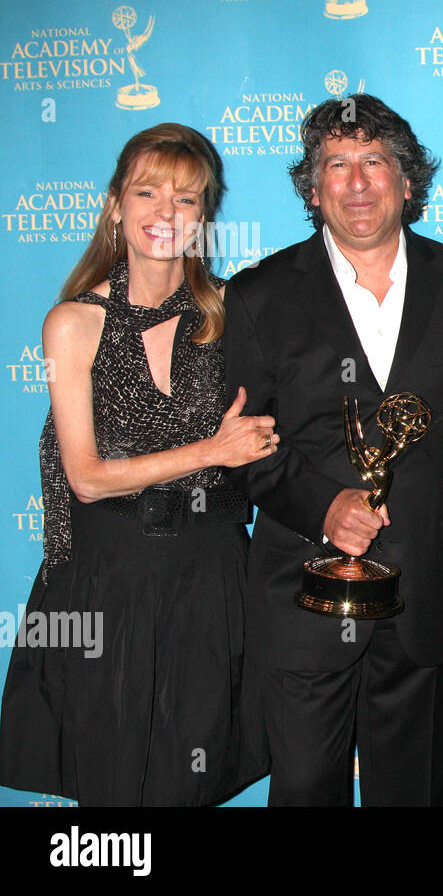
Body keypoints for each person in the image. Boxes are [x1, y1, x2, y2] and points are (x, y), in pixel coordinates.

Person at [222, 95, 443, 806]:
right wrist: (324, 505)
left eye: (377, 162)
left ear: (408, 182)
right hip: (303, 595)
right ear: (313, 190)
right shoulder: (257, 296)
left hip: (426, 592)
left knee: (417, 792)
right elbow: (243, 446)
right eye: (337, 166)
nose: (359, 182)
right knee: (305, 790)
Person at [0, 124, 275, 805]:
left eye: (186, 198)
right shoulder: (74, 322)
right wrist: (211, 451)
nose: (165, 212)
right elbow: (86, 477)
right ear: (115, 204)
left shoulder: (231, 314)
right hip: (108, 577)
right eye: (147, 191)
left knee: (191, 776)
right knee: (114, 779)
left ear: (204, 216)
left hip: (210, 571)